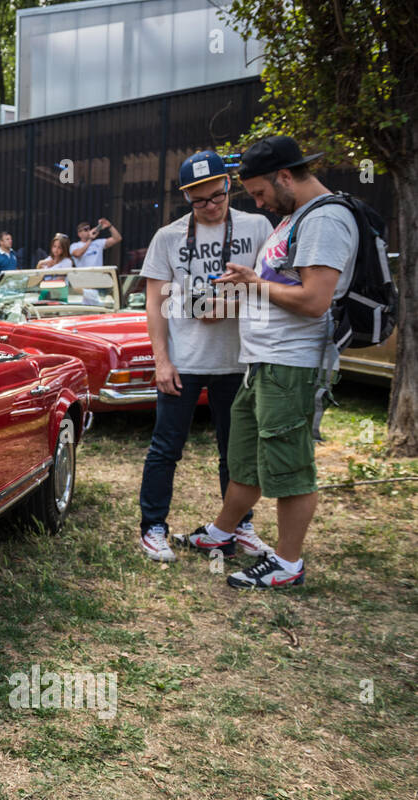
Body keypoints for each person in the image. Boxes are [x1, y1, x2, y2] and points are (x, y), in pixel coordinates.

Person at [181, 135, 358, 589]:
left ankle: (287, 562)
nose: (258, 202)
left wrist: (253, 283)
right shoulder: (293, 219)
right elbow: (273, 286)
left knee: (288, 465)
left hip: (290, 364)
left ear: (284, 176)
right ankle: (222, 532)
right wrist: (237, 291)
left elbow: (315, 300)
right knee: (247, 459)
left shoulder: (326, 219)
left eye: (259, 192)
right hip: (261, 362)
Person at [137, 150, 274, 562]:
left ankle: (238, 526)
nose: (211, 207)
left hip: (238, 360)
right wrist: (162, 361)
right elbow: (154, 303)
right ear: (186, 198)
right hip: (186, 362)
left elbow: (276, 290)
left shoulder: (258, 226)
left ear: (230, 185)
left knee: (236, 451)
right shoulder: (168, 236)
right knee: (165, 447)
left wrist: (230, 305)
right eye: (200, 201)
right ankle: (153, 527)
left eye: (218, 196)